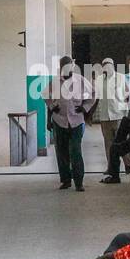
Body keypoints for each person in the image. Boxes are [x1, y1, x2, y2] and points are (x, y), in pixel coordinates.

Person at [46, 55, 95, 192]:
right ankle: (66, 180)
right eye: (63, 66)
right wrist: (51, 109)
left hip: (76, 121)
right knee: (61, 152)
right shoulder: (55, 83)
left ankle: (79, 181)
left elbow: (93, 94)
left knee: (75, 150)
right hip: (59, 121)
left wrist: (85, 108)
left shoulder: (80, 81)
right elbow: (46, 97)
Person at [91, 56, 130, 171]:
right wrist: (91, 114)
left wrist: (127, 111)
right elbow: (96, 98)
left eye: (108, 65)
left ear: (112, 66)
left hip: (118, 116)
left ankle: (127, 164)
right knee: (108, 143)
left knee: (121, 141)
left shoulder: (121, 78)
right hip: (105, 117)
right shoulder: (99, 80)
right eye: (104, 66)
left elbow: (128, 94)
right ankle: (111, 167)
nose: (106, 68)